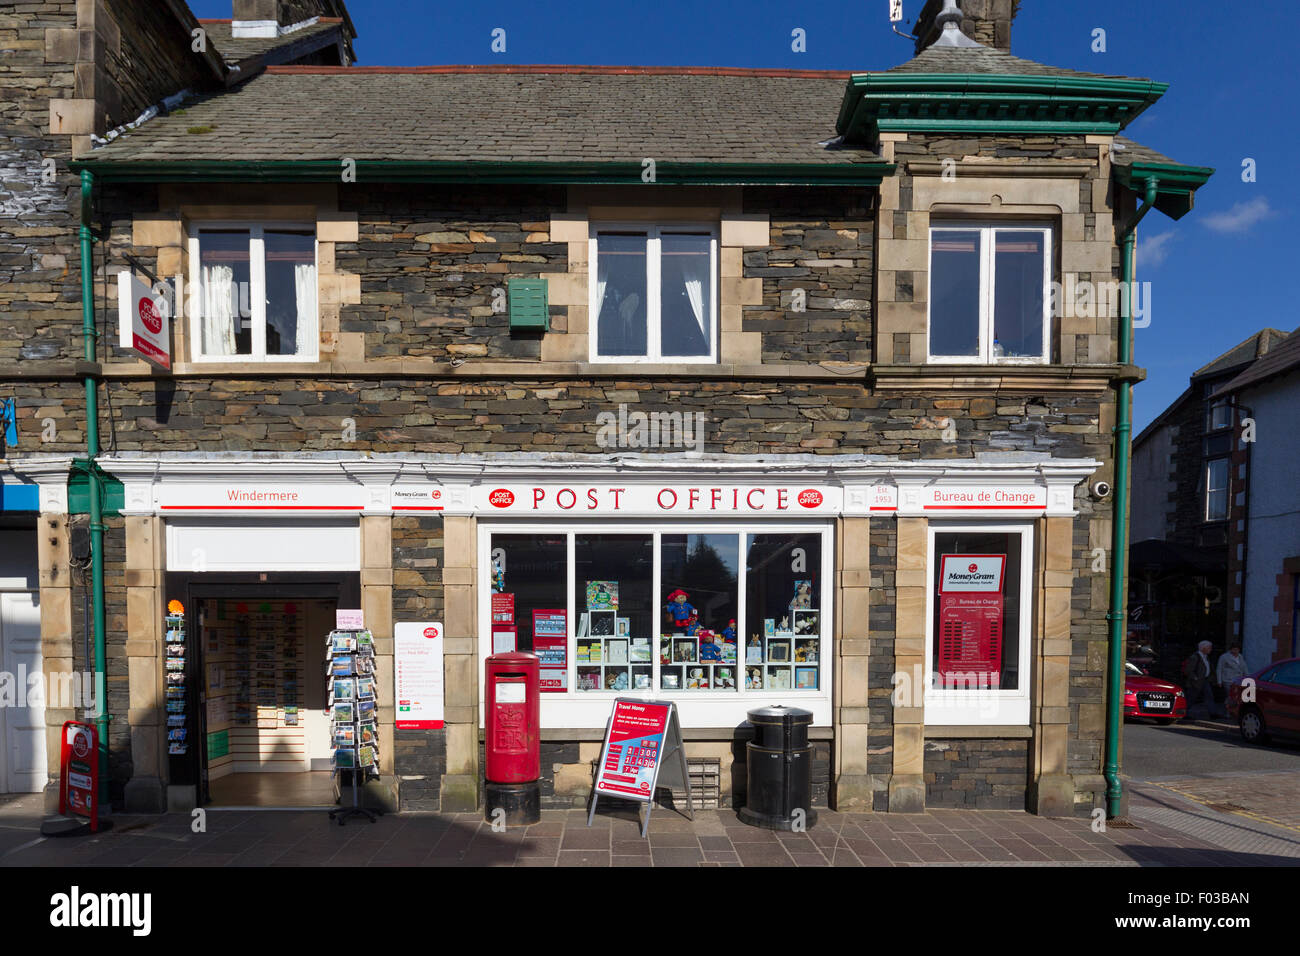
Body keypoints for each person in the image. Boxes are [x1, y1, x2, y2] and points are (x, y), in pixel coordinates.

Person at [1182, 640, 1222, 719]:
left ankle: (1212, 713)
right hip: (1195, 682)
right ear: (1203, 648)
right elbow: (1188, 670)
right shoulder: (1195, 657)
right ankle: (1183, 713)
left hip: (1204, 680)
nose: (1210, 649)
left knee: (1209, 696)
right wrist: (1195, 678)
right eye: (1209, 647)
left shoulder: (1206, 657)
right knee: (1191, 698)